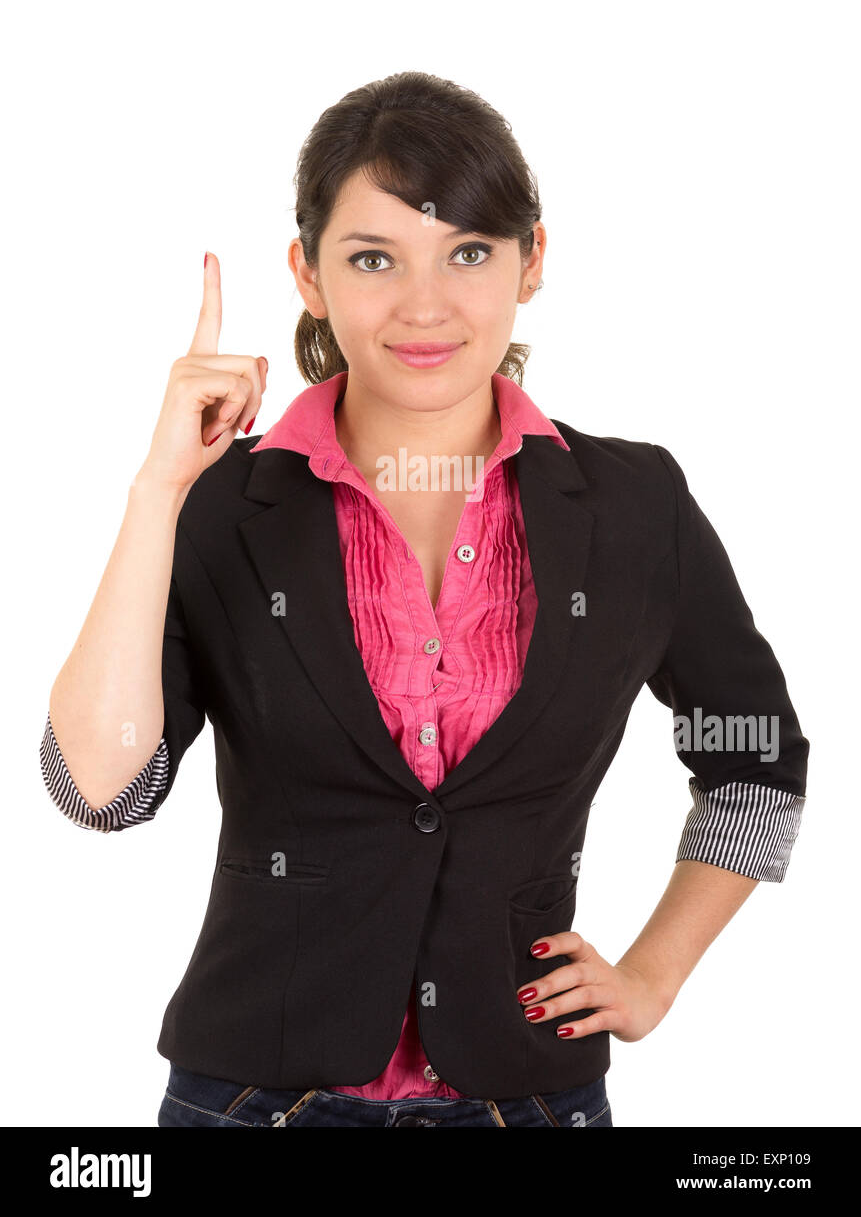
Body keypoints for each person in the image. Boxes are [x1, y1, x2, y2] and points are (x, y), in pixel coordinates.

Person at [42, 71, 808, 1128]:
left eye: (469, 253)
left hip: (527, 1096)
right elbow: (99, 791)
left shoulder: (637, 506)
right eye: (372, 259)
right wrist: (161, 488)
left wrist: (653, 976)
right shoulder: (222, 508)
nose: (424, 305)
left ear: (532, 260)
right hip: (254, 1097)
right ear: (307, 274)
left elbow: (757, 758)